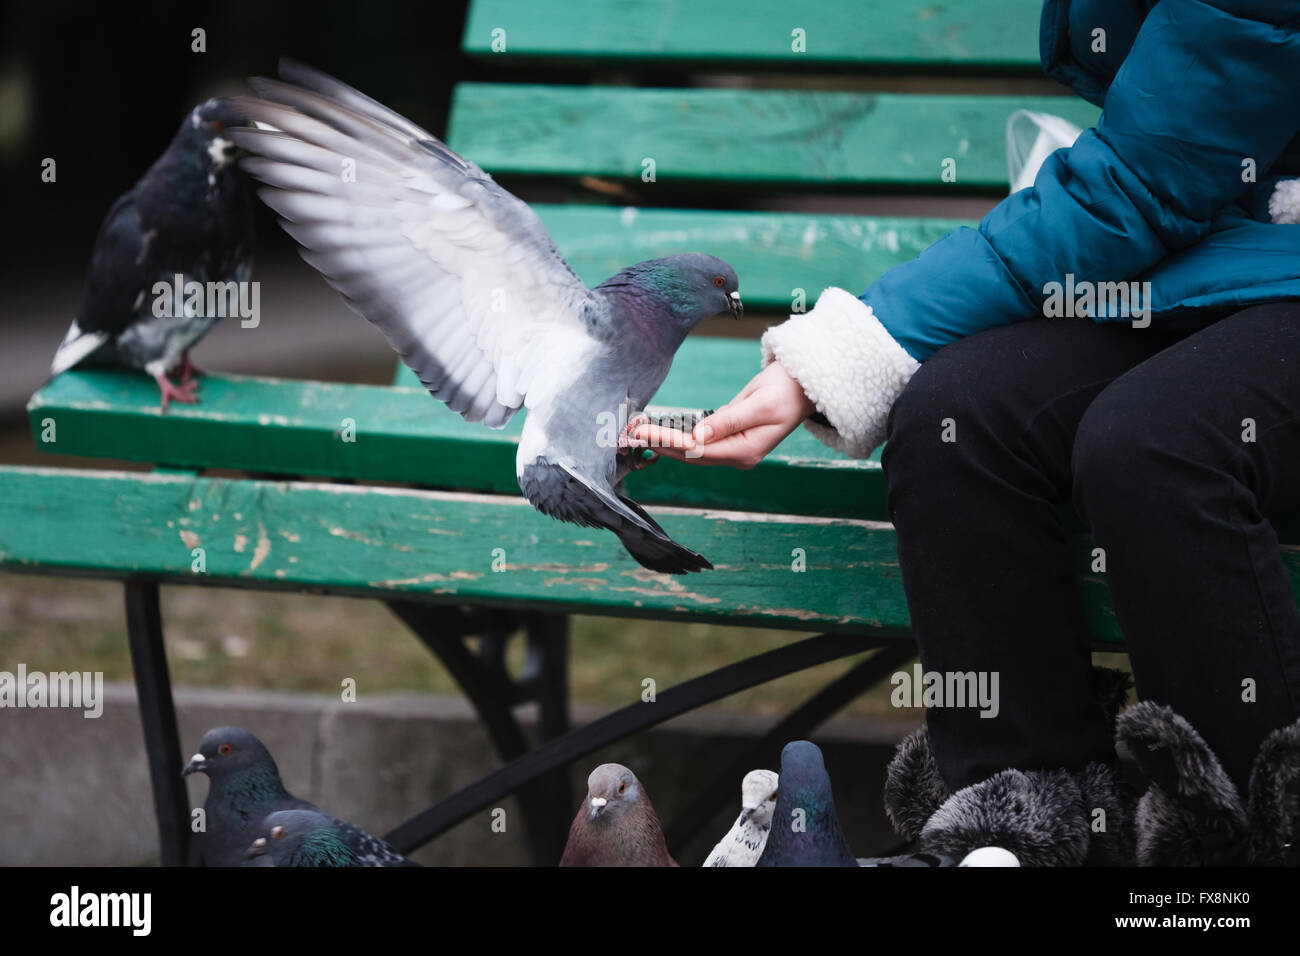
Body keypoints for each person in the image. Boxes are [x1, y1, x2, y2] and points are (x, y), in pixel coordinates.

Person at [636, 0, 1300, 865]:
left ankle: (1238, 861)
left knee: (1152, 445)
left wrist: (841, 349)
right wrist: (826, 367)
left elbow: (1141, 184)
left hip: (1222, 228)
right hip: (1235, 237)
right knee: (960, 416)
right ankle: (1024, 831)